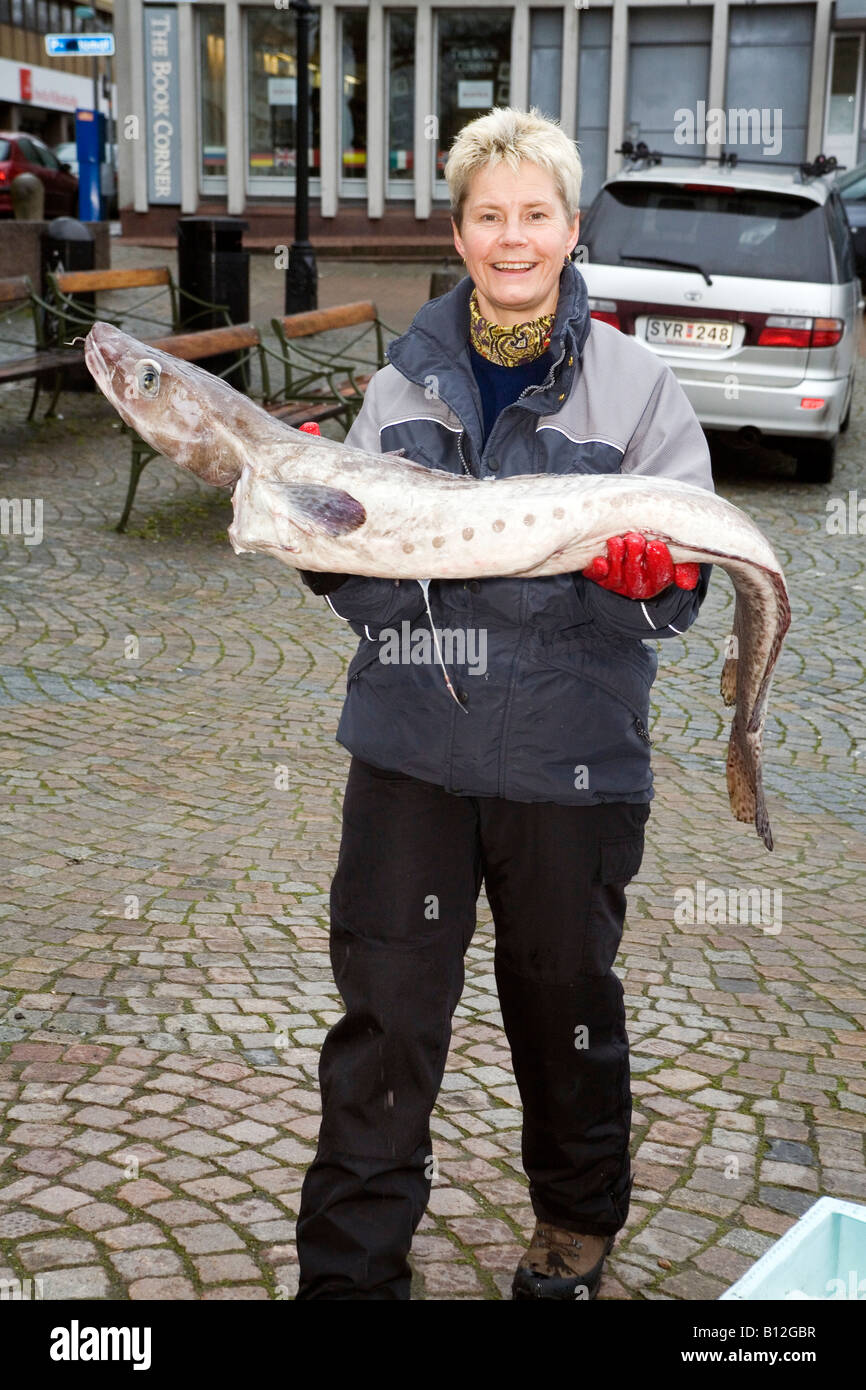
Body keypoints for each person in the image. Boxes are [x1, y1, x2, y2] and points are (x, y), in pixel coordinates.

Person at [293, 106, 714, 1301]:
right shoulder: (399, 382)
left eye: (535, 215)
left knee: (563, 1009)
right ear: (460, 230)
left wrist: (651, 581)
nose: (513, 238)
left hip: (567, 765)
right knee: (383, 1021)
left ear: (569, 229)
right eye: (490, 215)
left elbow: (672, 599)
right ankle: (353, 1273)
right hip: (411, 758)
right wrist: (330, 551)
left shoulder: (636, 390)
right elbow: (371, 591)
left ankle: (571, 1239)